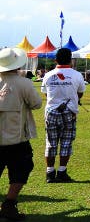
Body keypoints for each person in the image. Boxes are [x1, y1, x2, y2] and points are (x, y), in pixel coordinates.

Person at [0, 47, 42, 221]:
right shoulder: (23, 83)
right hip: (16, 138)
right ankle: (9, 204)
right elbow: (37, 104)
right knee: (22, 170)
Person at [41, 47, 85, 182]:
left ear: (56, 59)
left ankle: (49, 173)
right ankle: (62, 172)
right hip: (69, 112)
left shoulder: (48, 75)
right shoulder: (77, 75)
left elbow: (45, 93)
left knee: (51, 142)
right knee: (66, 143)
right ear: (71, 60)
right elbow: (80, 93)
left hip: (51, 112)